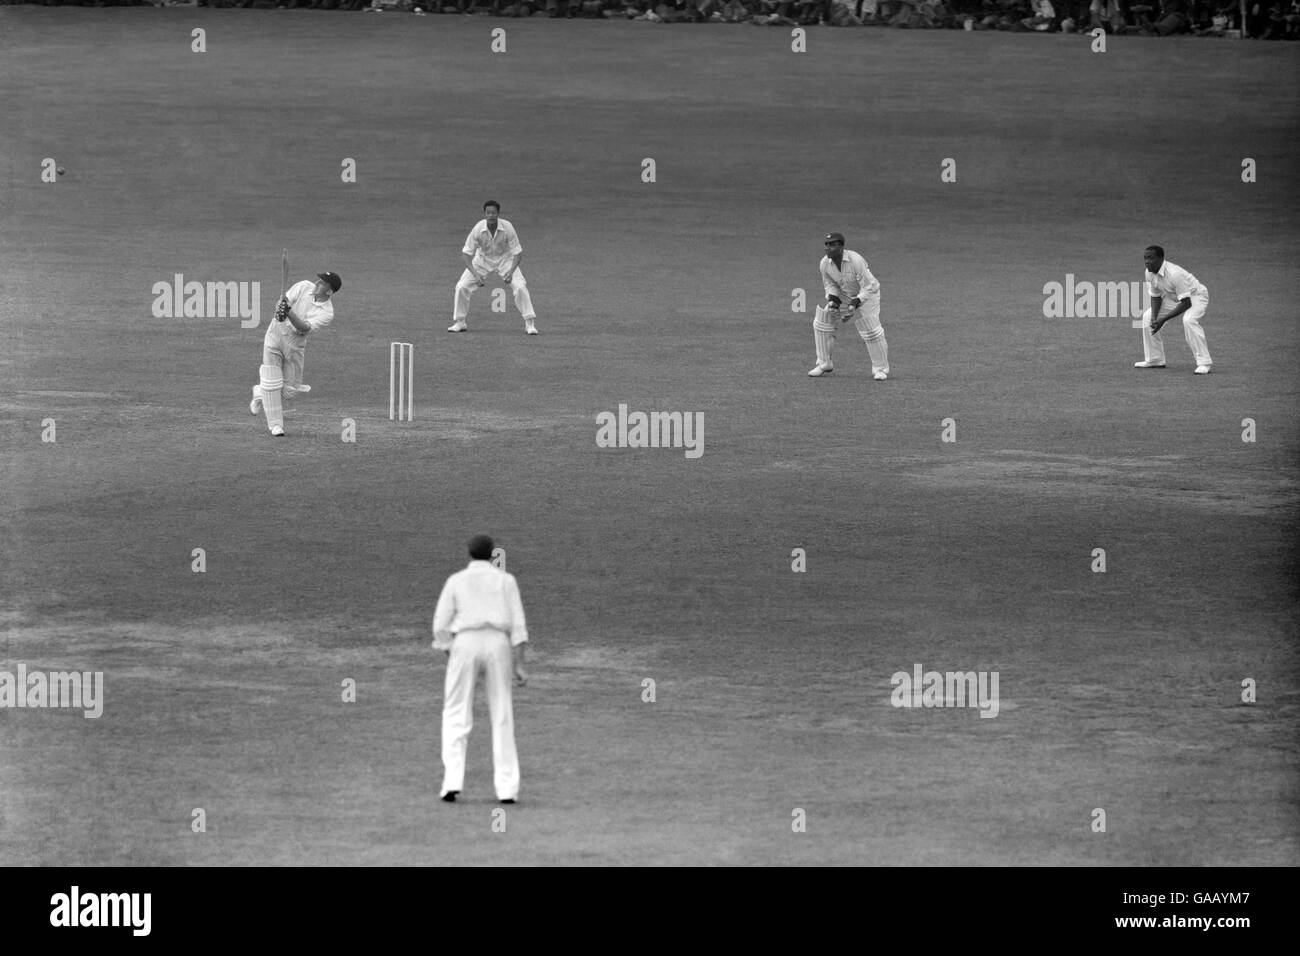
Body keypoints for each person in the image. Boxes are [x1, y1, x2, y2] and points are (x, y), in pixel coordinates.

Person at [432, 535, 530, 804]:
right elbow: (518, 624)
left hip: (465, 642)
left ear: (470, 553)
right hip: (498, 643)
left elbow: (440, 624)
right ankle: (507, 790)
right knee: (502, 714)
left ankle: (451, 783)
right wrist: (519, 664)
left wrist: (450, 650)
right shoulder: (506, 580)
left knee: (455, 711)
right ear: (492, 554)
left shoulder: (456, 580)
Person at [249, 271, 341, 437]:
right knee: (272, 381)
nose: (317, 282)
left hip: (294, 345)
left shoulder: (327, 313)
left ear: (329, 291)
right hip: (275, 335)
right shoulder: (304, 286)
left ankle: (259, 392)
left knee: (290, 390)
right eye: (319, 279)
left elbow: (304, 327)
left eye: (322, 283)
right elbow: (282, 304)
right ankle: (276, 426)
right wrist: (280, 308)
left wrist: (288, 311)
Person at [448, 200, 539, 335]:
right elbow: (466, 254)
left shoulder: (508, 227)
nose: (491, 215)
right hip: (482, 260)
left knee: (520, 287)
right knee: (461, 286)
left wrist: (510, 272)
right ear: (485, 214)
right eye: (488, 213)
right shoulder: (478, 228)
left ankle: (529, 324)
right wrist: (476, 275)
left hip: (505, 259)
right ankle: (460, 322)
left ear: (498, 214)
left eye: (493, 213)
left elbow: (518, 253)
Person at [809, 232, 890, 380]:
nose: (828, 248)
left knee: (871, 329)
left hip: (868, 294)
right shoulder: (824, 264)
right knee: (821, 321)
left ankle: (880, 369)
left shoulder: (856, 260)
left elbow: (868, 286)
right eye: (826, 245)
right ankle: (824, 363)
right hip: (845, 294)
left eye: (832, 245)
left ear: (841, 247)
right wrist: (833, 300)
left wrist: (855, 303)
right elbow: (830, 284)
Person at [1135, 245, 1212, 374]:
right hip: (1174, 297)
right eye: (1145, 258)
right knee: (1147, 317)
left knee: (1189, 320)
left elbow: (1186, 303)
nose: (1147, 261)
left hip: (1196, 296)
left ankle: (1204, 363)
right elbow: (1156, 296)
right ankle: (1155, 359)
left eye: (1151, 258)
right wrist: (1155, 317)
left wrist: (1163, 320)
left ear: (1160, 259)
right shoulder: (1149, 272)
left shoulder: (1175, 274)